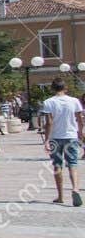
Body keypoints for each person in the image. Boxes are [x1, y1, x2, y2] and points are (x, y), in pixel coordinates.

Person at [39, 78, 85, 207]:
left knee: (57, 165)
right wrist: (80, 132)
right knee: (73, 164)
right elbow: (80, 118)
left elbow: (49, 123)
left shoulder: (48, 102)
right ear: (65, 88)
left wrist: (47, 139)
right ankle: (75, 188)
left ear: (53, 88)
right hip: (71, 135)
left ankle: (60, 196)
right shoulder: (74, 101)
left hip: (55, 137)